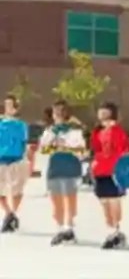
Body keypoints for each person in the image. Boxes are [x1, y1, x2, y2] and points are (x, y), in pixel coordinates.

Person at [39, 101, 87, 245]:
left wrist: (67, 147)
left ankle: (69, 227)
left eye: (61, 112)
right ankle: (60, 228)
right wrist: (52, 140)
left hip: (71, 168)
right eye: (56, 112)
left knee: (69, 198)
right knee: (56, 201)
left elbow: (82, 151)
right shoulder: (50, 131)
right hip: (55, 168)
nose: (58, 115)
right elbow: (43, 148)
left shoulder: (75, 131)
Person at [90, 102, 129, 249]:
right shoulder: (97, 132)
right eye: (100, 112)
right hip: (99, 170)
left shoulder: (118, 131)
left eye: (105, 112)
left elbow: (126, 149)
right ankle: (111, 229)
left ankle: (116, 230)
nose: (102, 115)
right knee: (104, 201)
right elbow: (94, 150)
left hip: (114, 171)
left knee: (114, 200)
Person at [0, 94, 30, 233]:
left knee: (17, 190)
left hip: (16, 159)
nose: (8, 108)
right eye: (6, 105)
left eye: (11, 105)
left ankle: (11, 213)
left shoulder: (21, 125)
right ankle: (9, 214)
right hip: (1, 159)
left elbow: (24, 143)